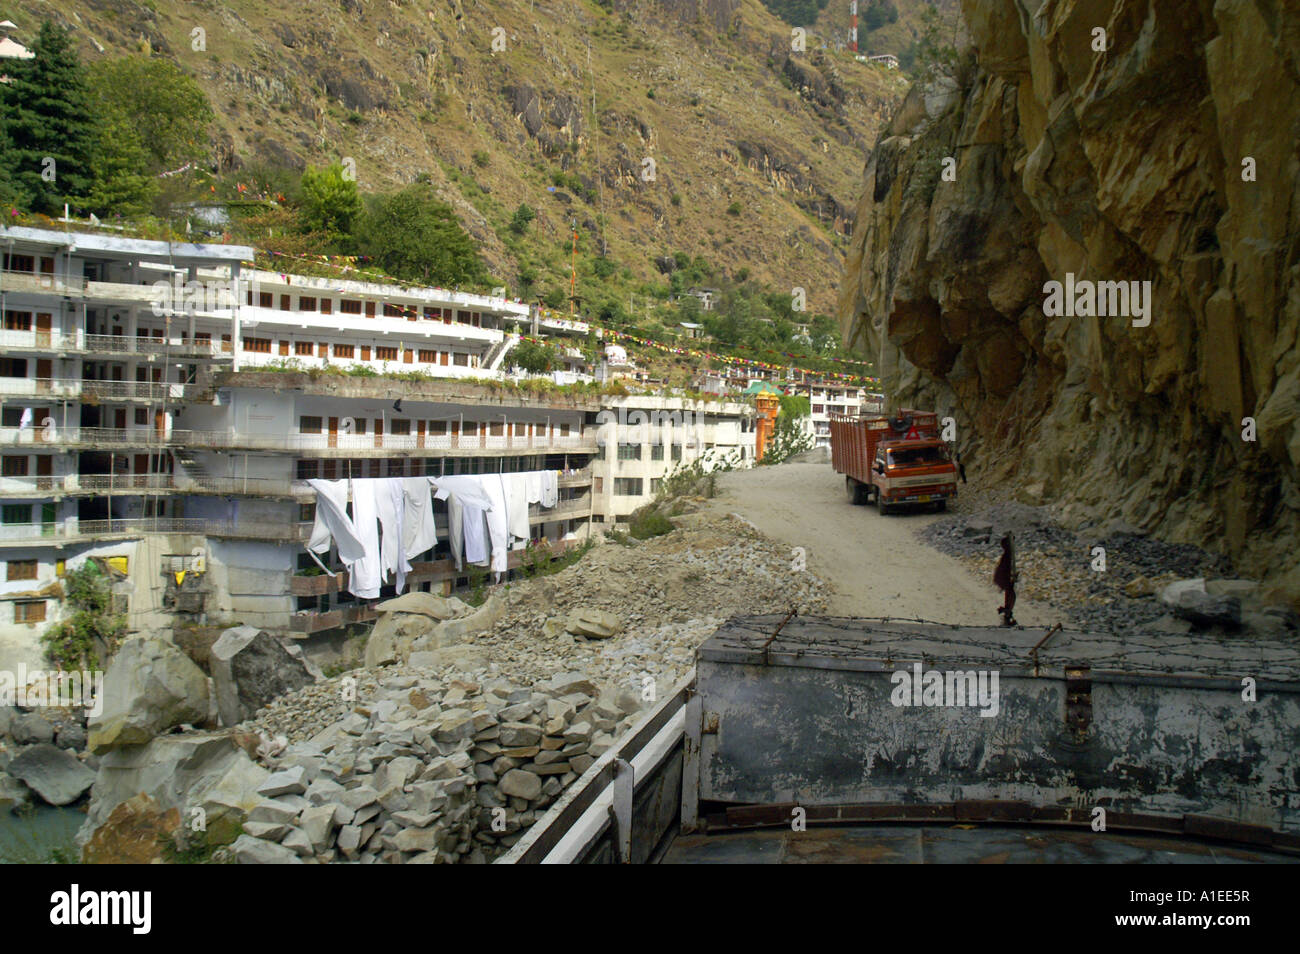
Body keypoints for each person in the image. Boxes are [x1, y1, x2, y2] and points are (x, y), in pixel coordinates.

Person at [993, 533, 1017, 626]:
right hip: (1005, 579)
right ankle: (1007, 615)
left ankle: (1007, 614)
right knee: (1011, 595)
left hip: (1005, 579)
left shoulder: (1007, 555)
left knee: (1010, 595)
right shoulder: (1008, 555)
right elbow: (1005, 569)